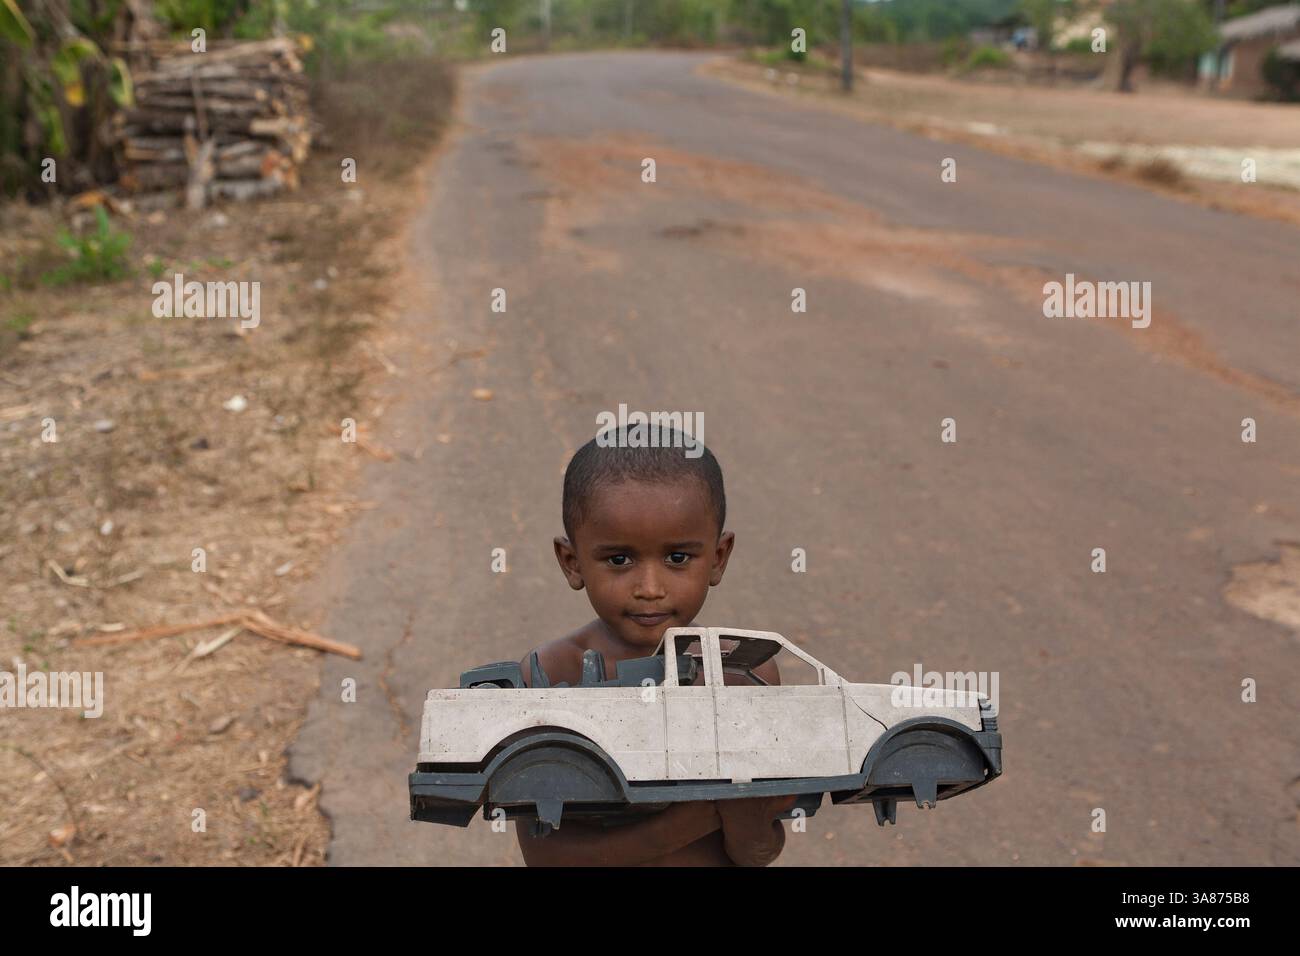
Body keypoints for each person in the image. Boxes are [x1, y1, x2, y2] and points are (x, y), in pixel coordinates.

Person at [515, 428, 795, 866]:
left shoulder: (743, 673)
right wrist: (702, 814)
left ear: (719, 558)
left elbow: (759, 851)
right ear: (572, 562)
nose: (650, 588)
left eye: (678, 558)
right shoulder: (550, 675)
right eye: (619, 560)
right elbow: (546, 855)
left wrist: (744, 813)